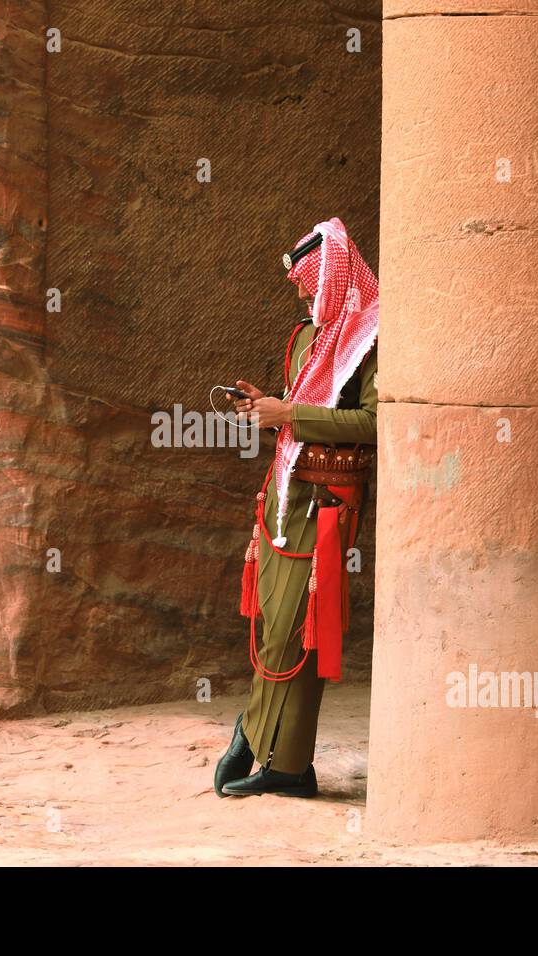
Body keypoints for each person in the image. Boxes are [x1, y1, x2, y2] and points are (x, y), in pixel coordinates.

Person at [214, 217, 379, 798]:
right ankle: (284, 764)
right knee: (273, 622)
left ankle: (263, 742)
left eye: (311, 283)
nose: (304, 293)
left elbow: (374, 423)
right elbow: (297, 411)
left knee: (296, 629)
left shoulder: (369, 337)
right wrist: (268, 407)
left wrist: (287, 415)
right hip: (286, 494)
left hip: (329, 505)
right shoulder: (309, 338)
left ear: (333, 276)